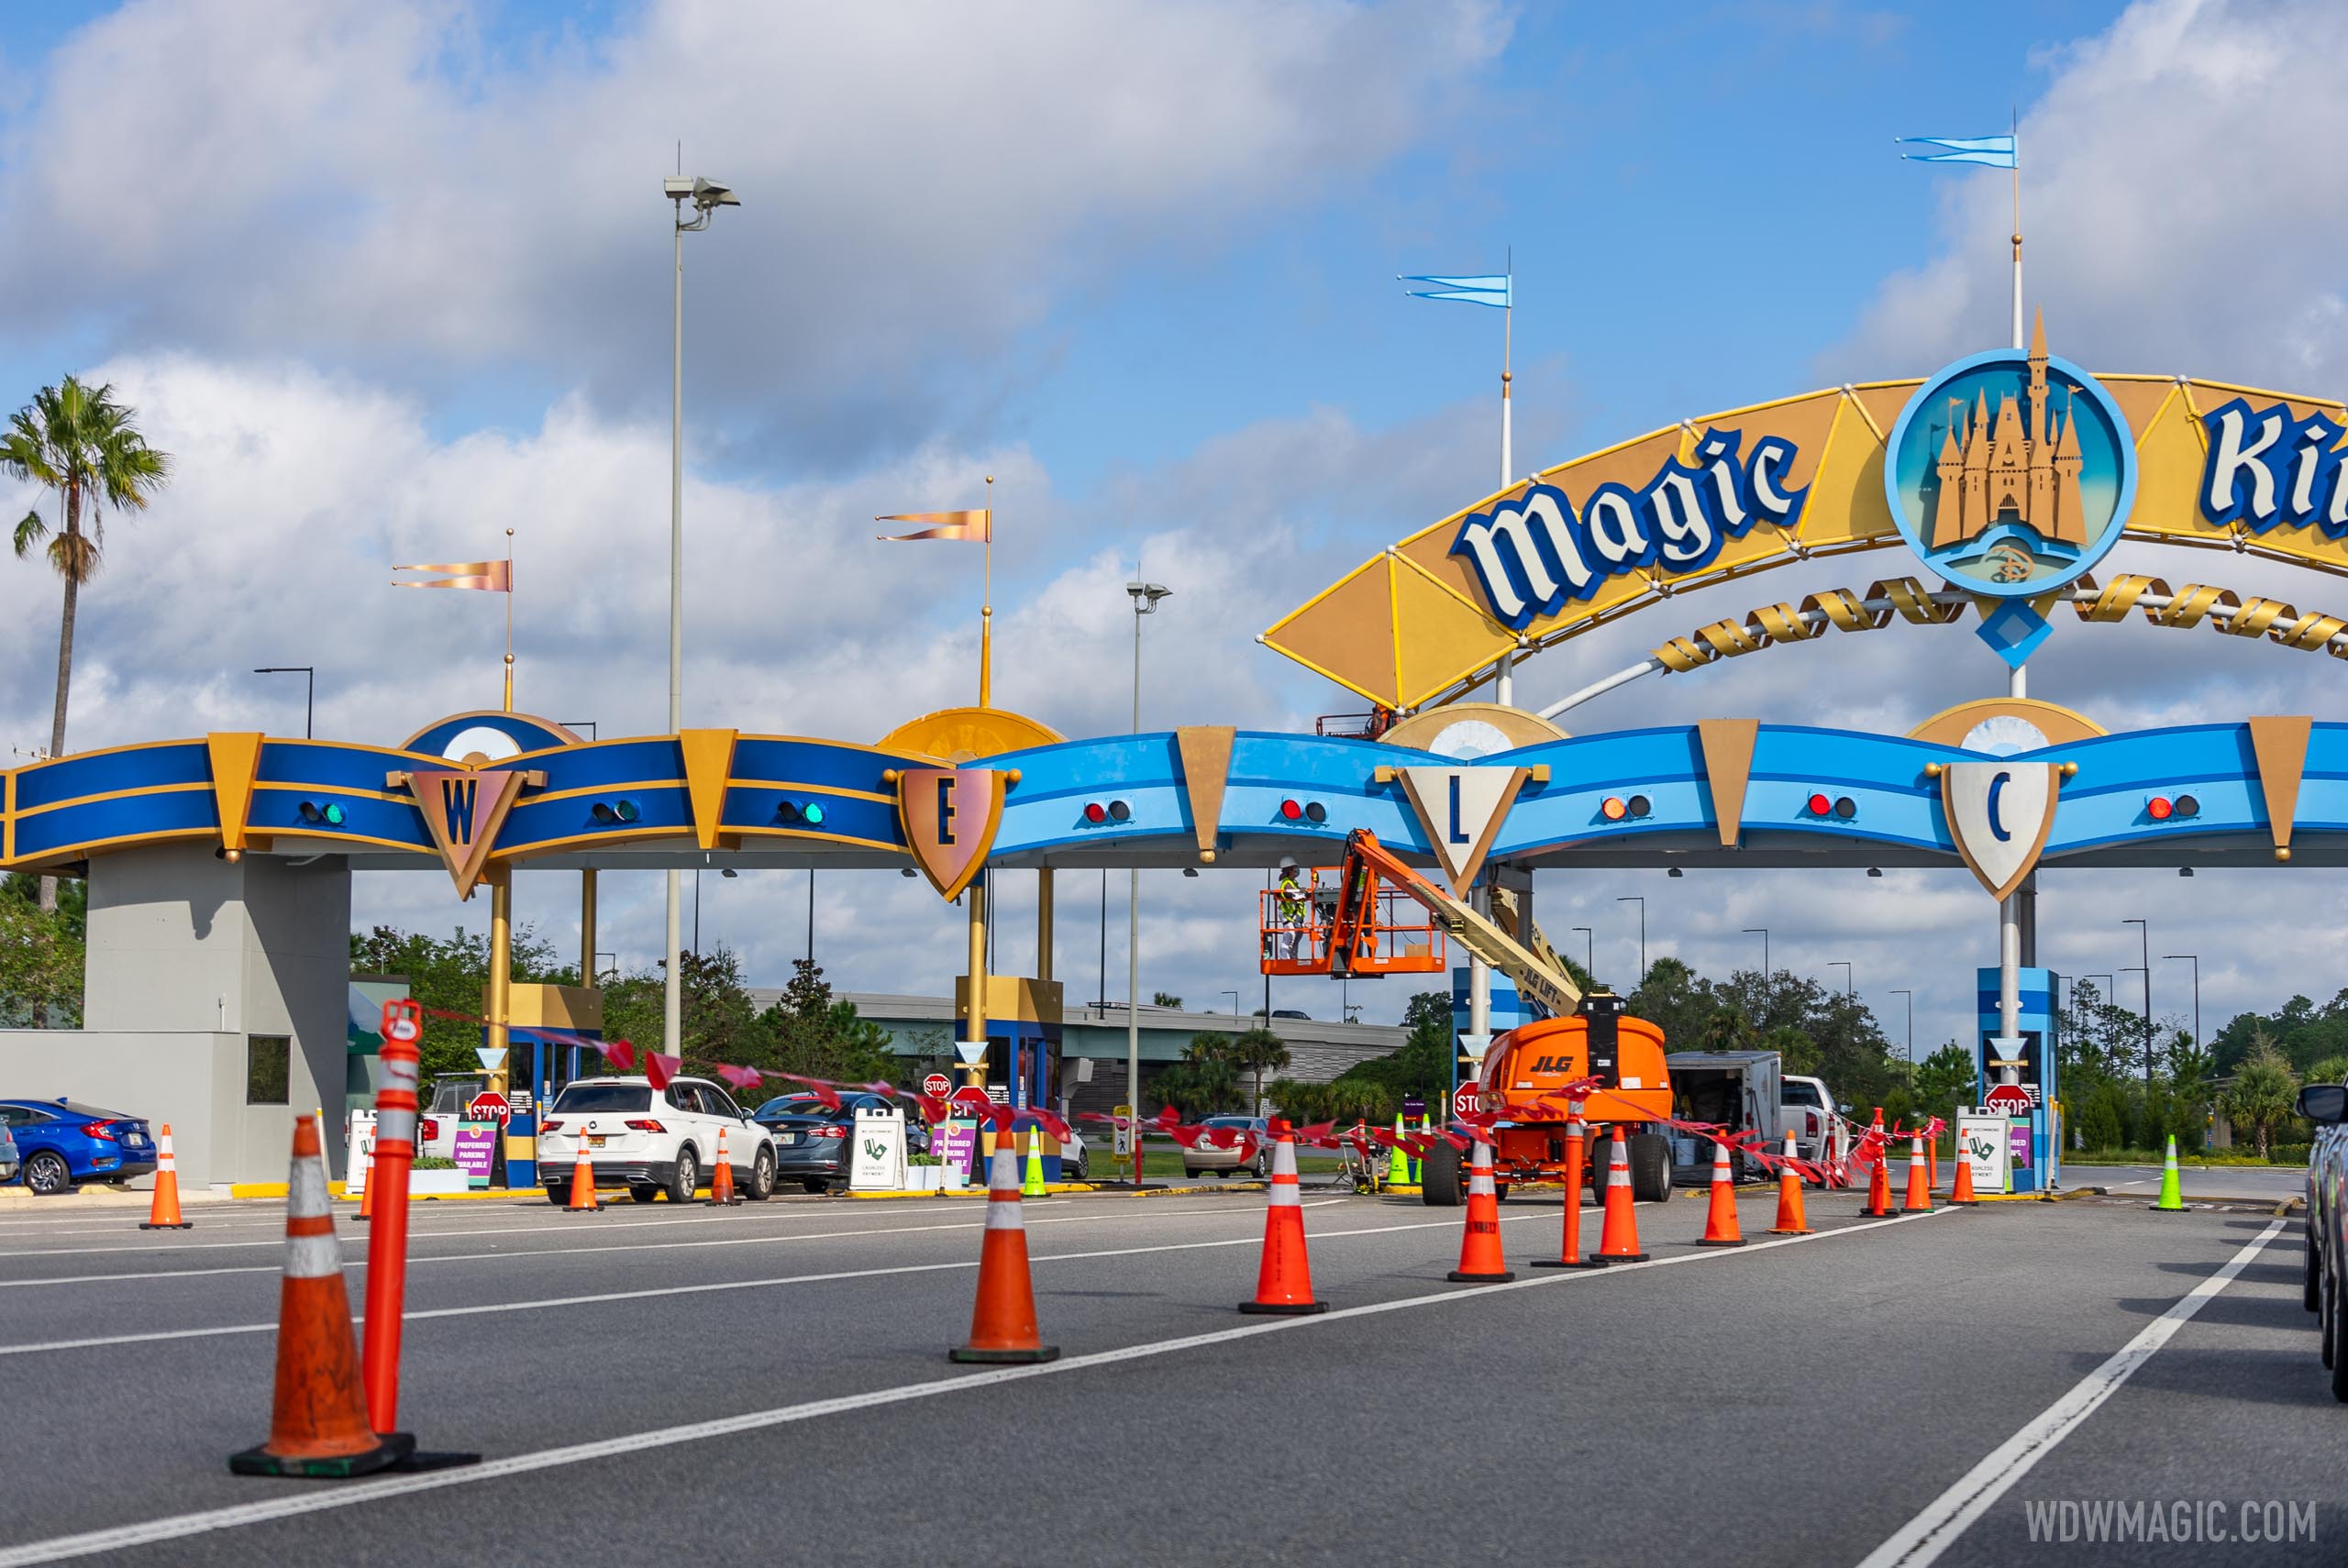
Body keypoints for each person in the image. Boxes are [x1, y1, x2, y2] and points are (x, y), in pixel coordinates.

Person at [1273, 863, 1307, 960]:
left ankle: (1293, 958)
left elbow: (1297, 892)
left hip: (1295, 915)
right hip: (1288, 914)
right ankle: (1284, 958)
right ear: (1289, 871)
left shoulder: (1293, 883)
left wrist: (1303, 892)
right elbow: (1290, 894)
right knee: (1290, 935)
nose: (1296, 871)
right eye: (1294, 869)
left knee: (1298, 935)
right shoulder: (1287, 882)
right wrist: (1301, 894)